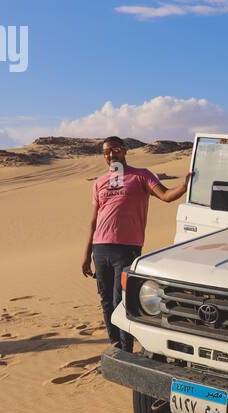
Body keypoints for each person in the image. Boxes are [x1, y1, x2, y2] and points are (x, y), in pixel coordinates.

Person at [81, 136, 191, 350]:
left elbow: (166, 195)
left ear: (124, 151)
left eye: (115, 150)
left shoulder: (141, 176)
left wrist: (184, 186)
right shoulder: (100, 182)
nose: (111, 155)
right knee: (105, 300)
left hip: (127, 249)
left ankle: (126, 348)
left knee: (120, 301)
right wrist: (86, 255)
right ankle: (115, 344)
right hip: (100, 248)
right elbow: (94, 220)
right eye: (106, 152)